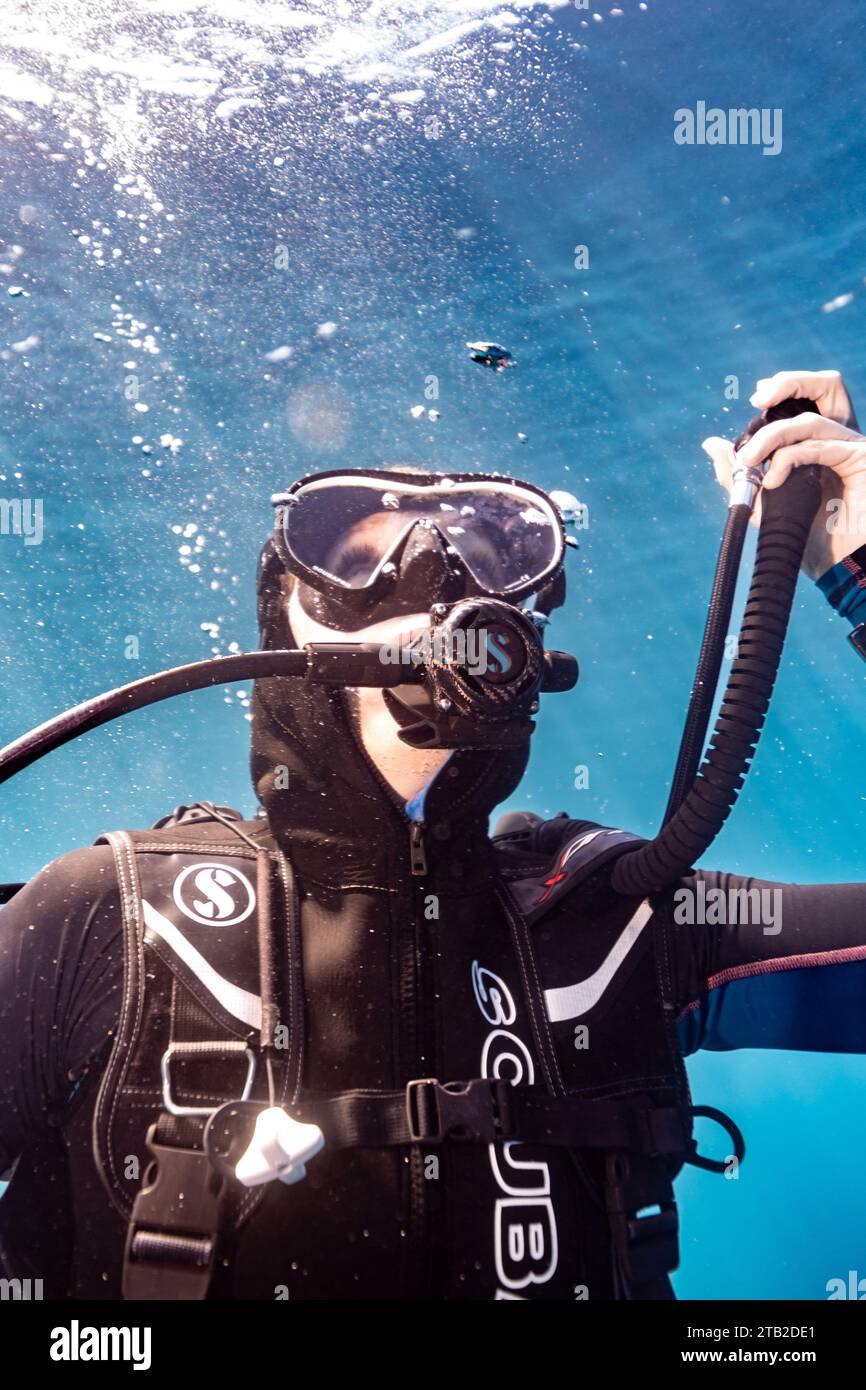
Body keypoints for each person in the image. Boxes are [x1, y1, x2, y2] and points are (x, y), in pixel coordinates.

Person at [2, 368, 866, 1302]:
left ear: (528, 625)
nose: (429, 578)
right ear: (283, 619)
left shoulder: (626, 920)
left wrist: (859, 567)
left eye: (487, 554)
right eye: (359, 555)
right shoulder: (107, 919)